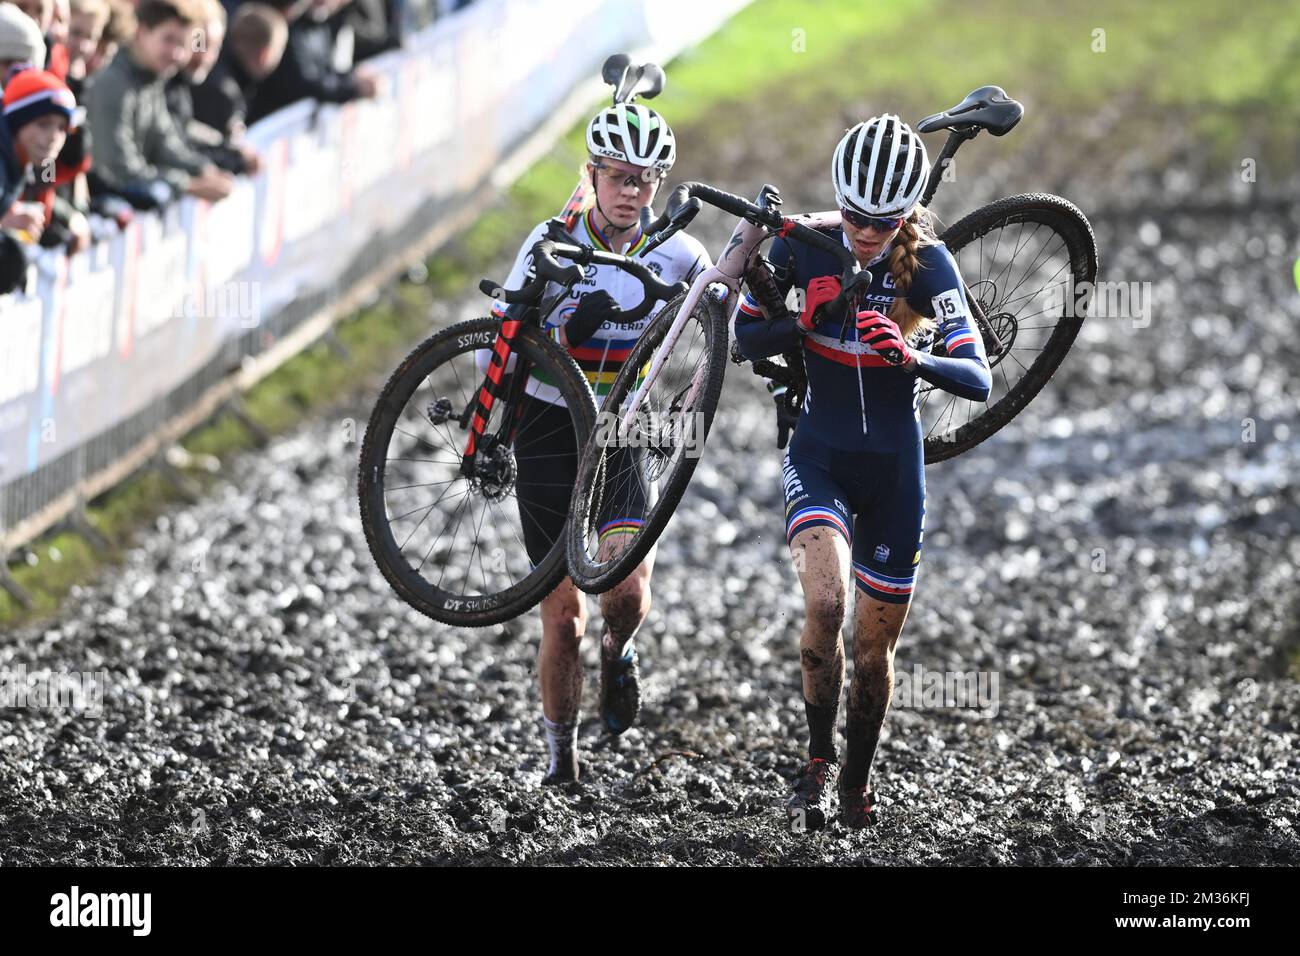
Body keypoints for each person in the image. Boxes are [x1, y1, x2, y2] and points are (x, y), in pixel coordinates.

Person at [734, 114, 992, 828]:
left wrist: (913, 358)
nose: (865, 232)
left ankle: (857, 778)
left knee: (874, 655)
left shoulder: (931, 264)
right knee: (825, 605)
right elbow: (742, 336)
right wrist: (801, 323)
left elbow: (979, 376)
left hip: (894, 476)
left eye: (883, 221)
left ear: (908, 212)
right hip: (819, 455)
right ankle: (817, 762)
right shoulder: (804, 246)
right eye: (853, 216)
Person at [492, 103, 710, 784]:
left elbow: (727, 322)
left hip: (622, 428)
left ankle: (623, 652)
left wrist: (695, 392)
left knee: (624, 598)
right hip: (548, 426)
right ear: (591, 175)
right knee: (563, 622)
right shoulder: (549, 241)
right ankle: (562, 762)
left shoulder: (677, 252)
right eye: (618, 177)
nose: (631, 193)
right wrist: (493, 432)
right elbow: (496, 344)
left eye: (645, 181)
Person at [82, 0, 233, 206]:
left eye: (183, 44)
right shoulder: (113, 83)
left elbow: (166, 144)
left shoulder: (152, 79)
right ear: (142, 33)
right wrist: (187, 185)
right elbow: (117, 168)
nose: (176, 53)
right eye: (168, 40)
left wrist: (205, 169)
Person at [246, 0, 376, 123]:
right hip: (269, 117)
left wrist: (351, 78)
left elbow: (325, 71)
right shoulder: (291, 25)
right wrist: (352, 88)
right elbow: (304, 81)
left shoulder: (323, 23)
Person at [190, 3, 286, 147]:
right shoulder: (224, 95)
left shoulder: (230, 81)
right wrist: (239, 156)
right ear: (264, 55)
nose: (203, 58)